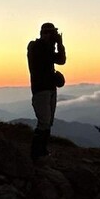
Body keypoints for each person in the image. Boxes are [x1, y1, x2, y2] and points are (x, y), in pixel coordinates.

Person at [26, 22, 66, 160]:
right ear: (44, 33)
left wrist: (60, 44)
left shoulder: (47, 48)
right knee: (44, 121)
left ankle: (42, 151)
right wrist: (51, 42)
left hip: (50, 89)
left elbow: (61, 60)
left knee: (48, 122)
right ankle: (36, 153)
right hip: (40, 90)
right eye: (51, 33)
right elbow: (44, 55)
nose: (53, 36)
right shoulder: (35, 46)